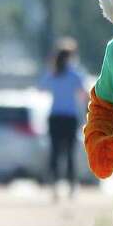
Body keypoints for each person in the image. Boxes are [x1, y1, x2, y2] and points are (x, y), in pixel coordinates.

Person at [37, 38, 89, 198]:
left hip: (55, 117)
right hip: (69, 118)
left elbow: (41, 87)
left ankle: (53, 186)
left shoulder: (53, 73)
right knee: (70, 153)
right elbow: (83, 94)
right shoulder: (75, 74)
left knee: (55, 152)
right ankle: (71, 186)